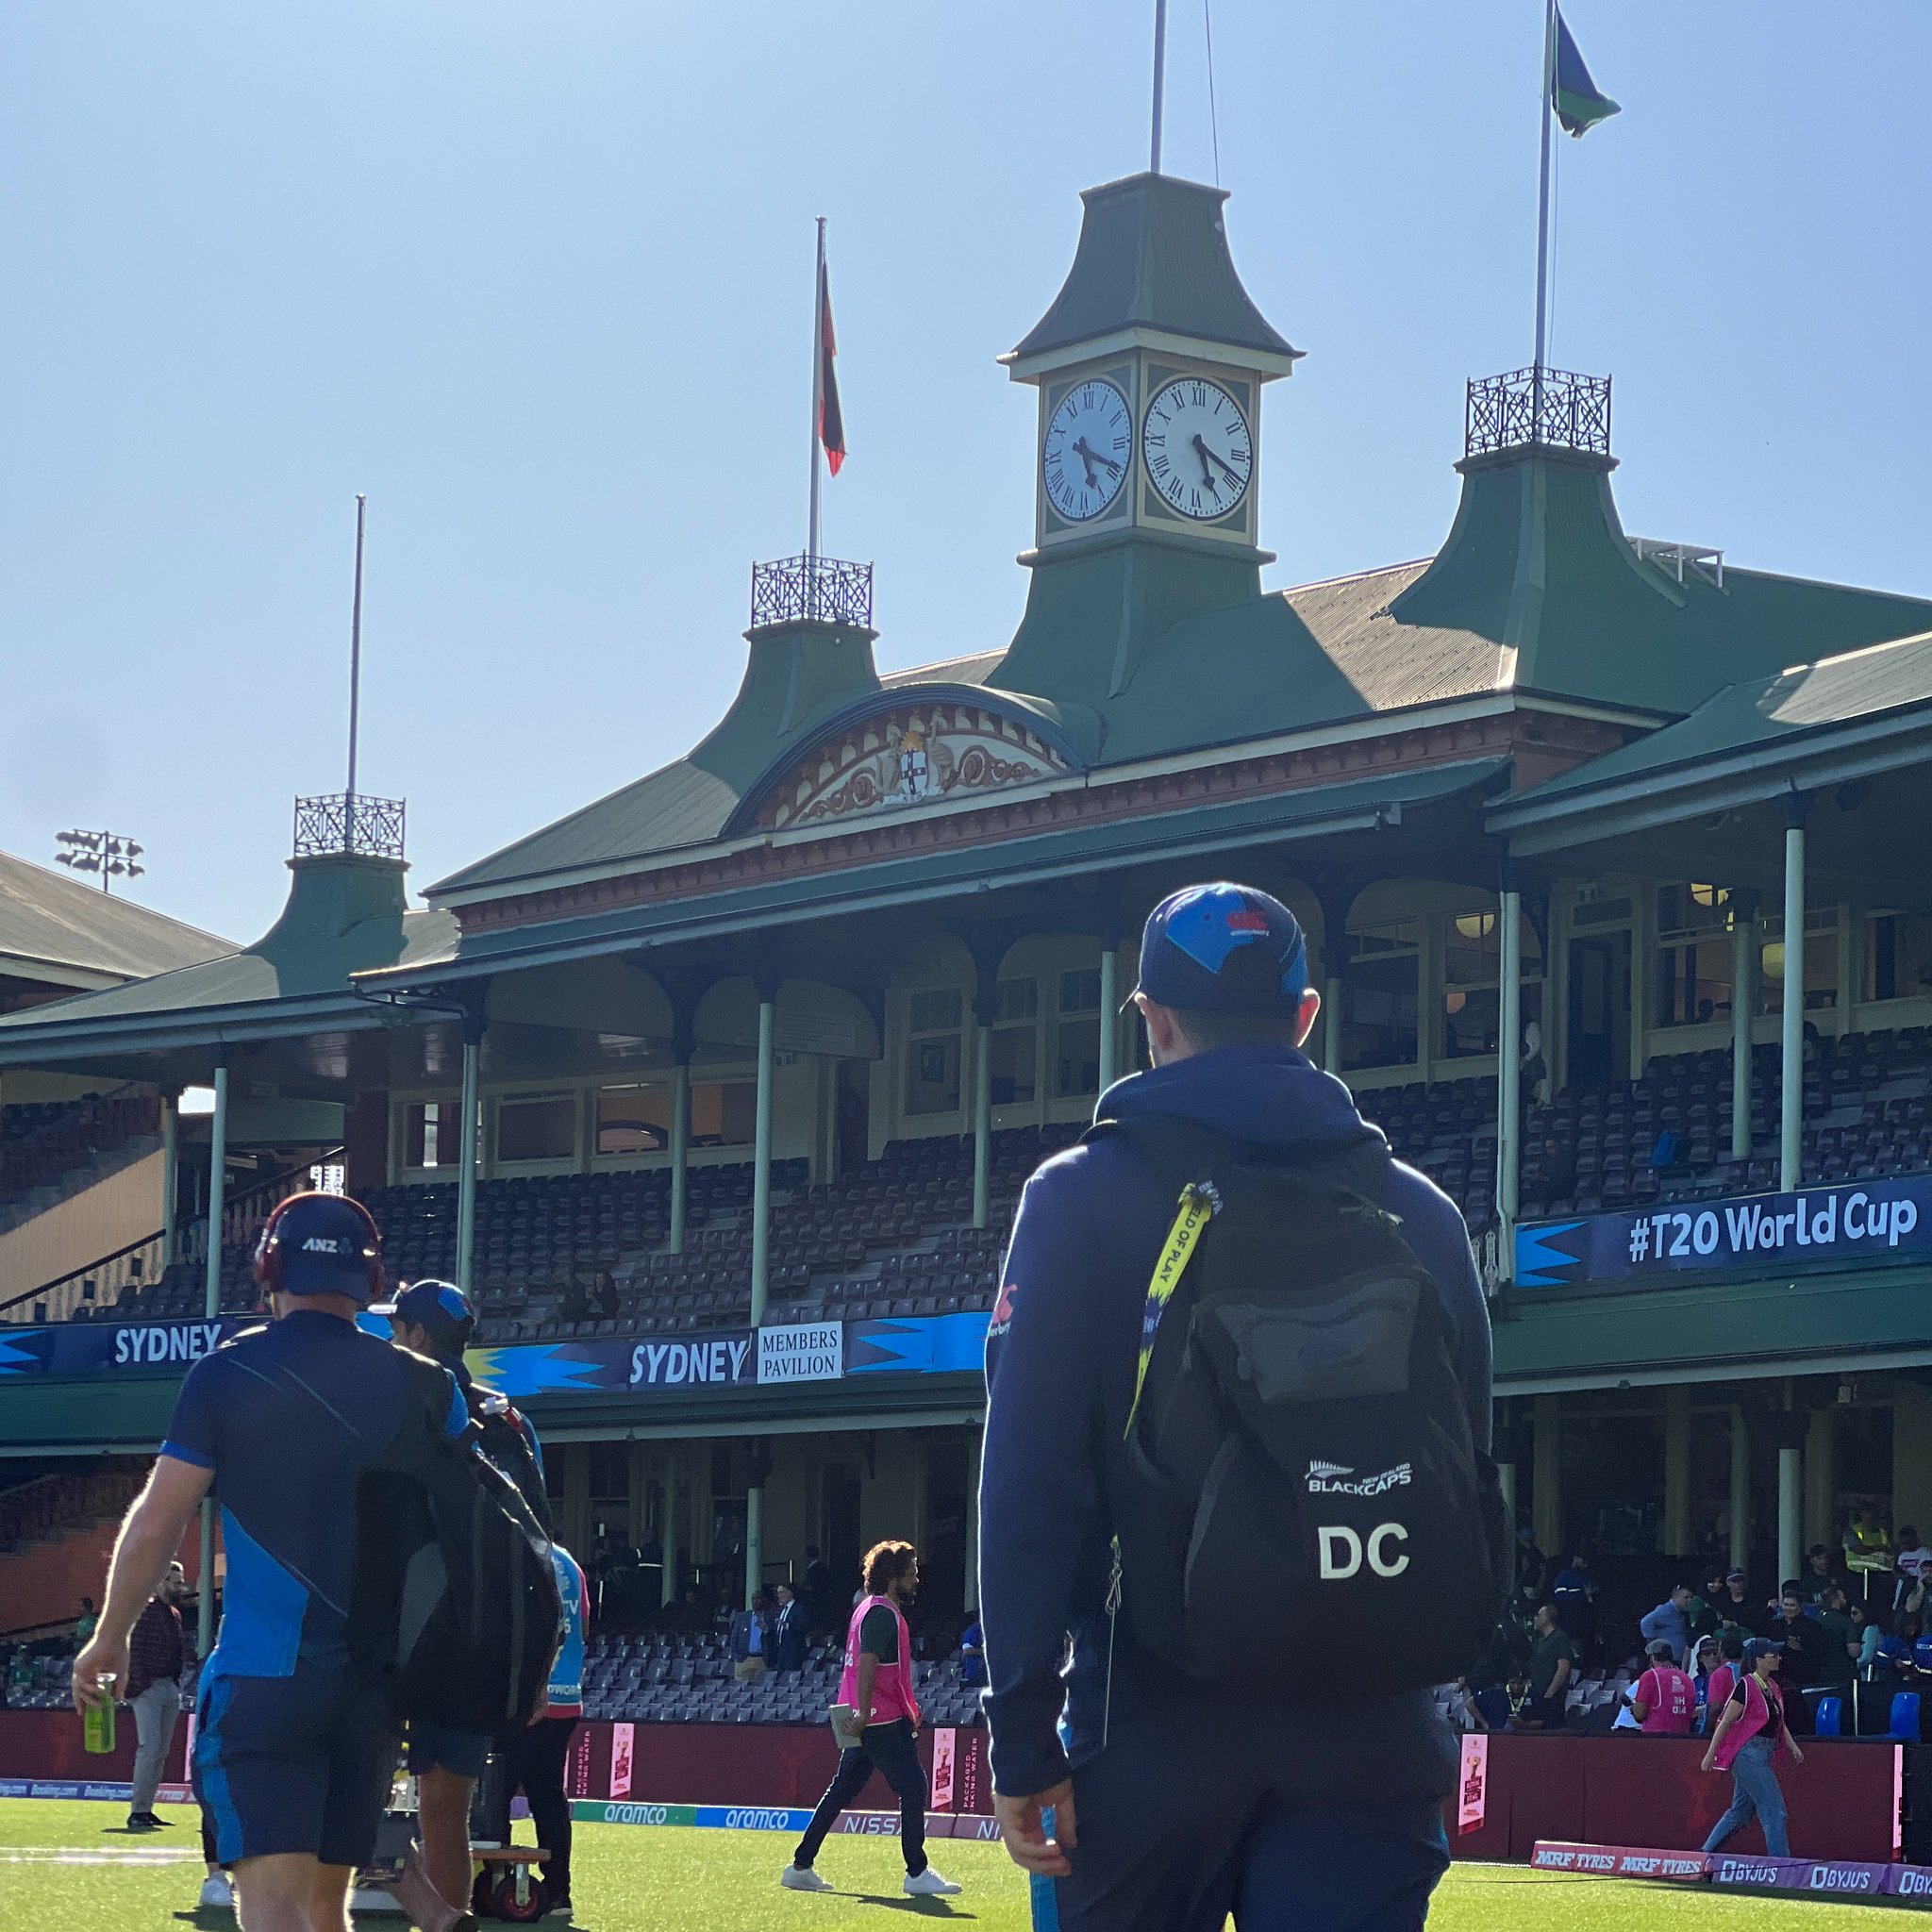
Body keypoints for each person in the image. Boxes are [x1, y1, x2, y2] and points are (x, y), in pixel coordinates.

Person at [977, 884, 1493, 1931]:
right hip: (1376, 1730)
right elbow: (1466, 1462)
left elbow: (1029, 1486)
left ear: (1152, 1017)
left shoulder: (1074, 1196)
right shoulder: (1424, 1212)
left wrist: (1022, 1735)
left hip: (1149, 1724)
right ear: (1304, 1016)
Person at [69, 1191, 475, 1932]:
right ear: (371, 1279)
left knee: (275, 1906)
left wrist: (111, 1635)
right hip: (374, 1691)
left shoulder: (227, 1376)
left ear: (269, 1267)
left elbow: (158, 1519)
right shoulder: (432, 1388)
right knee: (326, 1906)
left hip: (266, 1682)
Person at [374, 1277, 551, 1917]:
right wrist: (536, 1663)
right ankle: (444, 1921)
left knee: (360, 1790)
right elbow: (539, 1545)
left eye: (397, 1329)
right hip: (481, 1639)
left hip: (401, 1632)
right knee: (446, 1809)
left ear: (419, 1336)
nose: (391, 1339)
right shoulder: (510, 1421)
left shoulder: (400, 1403)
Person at [783, 1541, 959, 1898]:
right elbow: (868, 1665)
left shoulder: (866, 1608)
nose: (916, 1580)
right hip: (878, 1718)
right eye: (911, 1574)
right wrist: (865, 1712)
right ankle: (916, 1872)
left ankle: (800, 1866)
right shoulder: (883, 1614)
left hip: (859, 1713)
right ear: (893, 1577)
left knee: (841, 1790)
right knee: (913, 1786)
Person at [481, 1541, 591, 1922]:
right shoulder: (569, 1563)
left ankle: (493, 1885)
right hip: (568, 1698)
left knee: (494, 1796)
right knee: (549, 1799)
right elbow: (582, 1628)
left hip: (527, 1700)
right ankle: (559, 1892)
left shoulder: (517, 1553)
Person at [1701, 1639, 1803, 1859]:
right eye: (1773, 1656)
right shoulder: (1746, 1686)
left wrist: (1791, 1745)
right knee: (1775, 1812)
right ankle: (1780, 1865)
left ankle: (1704, 1855)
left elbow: (1778, 1720)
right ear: (1758, 1660)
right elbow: (1725, 1721)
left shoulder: (1771, 1686)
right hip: (1749, 1754)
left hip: (1761, 1753)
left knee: (1741, 1812)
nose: (1778, 1659)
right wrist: (1711, 1754)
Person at [124, 1560, 189, 1830]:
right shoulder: (145, 1611)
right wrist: (142, 1685)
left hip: (168, 1686)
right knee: (150, 1748)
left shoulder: (173, 1614)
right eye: (176, 1582)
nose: (181, 1586)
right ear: (161, 1582)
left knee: (159, 1752)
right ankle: (138, 1811)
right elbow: (135, 1652)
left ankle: (146, 1809)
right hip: (150, 1688)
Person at [1771, 1586, 1828, 1726]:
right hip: (1780, 1676)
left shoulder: (1812, 1626)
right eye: (1786, 1604)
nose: (1788, 1608)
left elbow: (1821, 1651)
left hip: (1804, 1677)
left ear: (1800, 1607)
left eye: (1792, 1605)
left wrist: (1802, 1647)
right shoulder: (1775, 1625)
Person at [1522, 1603, 1576, 1731]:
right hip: (1538, 1696)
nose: (1535, 1618)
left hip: (1551, 1699)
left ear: (1547, 1617)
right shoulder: (1541, 1641)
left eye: (1538, 1615)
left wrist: (1549, 1695)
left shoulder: (1560, 1637)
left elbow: (1563, 1667)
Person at [1628, 1638, 1696, 1736]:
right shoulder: (1687, 1678)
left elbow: (1640, 1713)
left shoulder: (1651, 1675)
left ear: (1653, 1657)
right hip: (1683, 1738)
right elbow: (1691, 1712)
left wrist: (1632, 1707)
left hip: (1655, 1738)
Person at [1639, 1584, 1696, 1665]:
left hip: (1681, 1659)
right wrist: (1653, 1642)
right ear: (1676, 1597)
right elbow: (1645, 1622)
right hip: (1669, 1660)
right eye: (1686, 1597)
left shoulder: (1683, 1613)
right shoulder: (1664, 1610)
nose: (1689, 1601)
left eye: (1691, 1598)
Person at [730, 1591, 772, 1685]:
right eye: (753, 1598)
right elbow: (734, 1639)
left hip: (761, 1660)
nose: (756, 1601)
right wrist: (737, 1656)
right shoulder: (742, 1617)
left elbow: (773, 1640)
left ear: (764, 1600)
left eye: (758, 1599)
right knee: (741, 1689)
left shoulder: (770, 1618)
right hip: (744, 1660)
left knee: (760, 1689)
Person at [771, 1583, 808, 1674]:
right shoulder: (782, 1609)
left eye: (781, 1592)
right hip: (781, 1652)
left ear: (790, 1593)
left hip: (793, 1653)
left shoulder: (799, 1609)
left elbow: (802, 1628)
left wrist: (786, 1625)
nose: (779, 1596)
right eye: (778, 1593)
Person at [803, 1545, 834, 1633]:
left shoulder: (815, 1569)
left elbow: (814, 1585)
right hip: (821, 1599)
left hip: (816, 1600)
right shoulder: (823, 1567)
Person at [958, 1617, 985, 1690]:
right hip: (974, 1675)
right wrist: (984, 1651)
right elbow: (966, 1650)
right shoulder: (972, 1631)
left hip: (986, 1674)